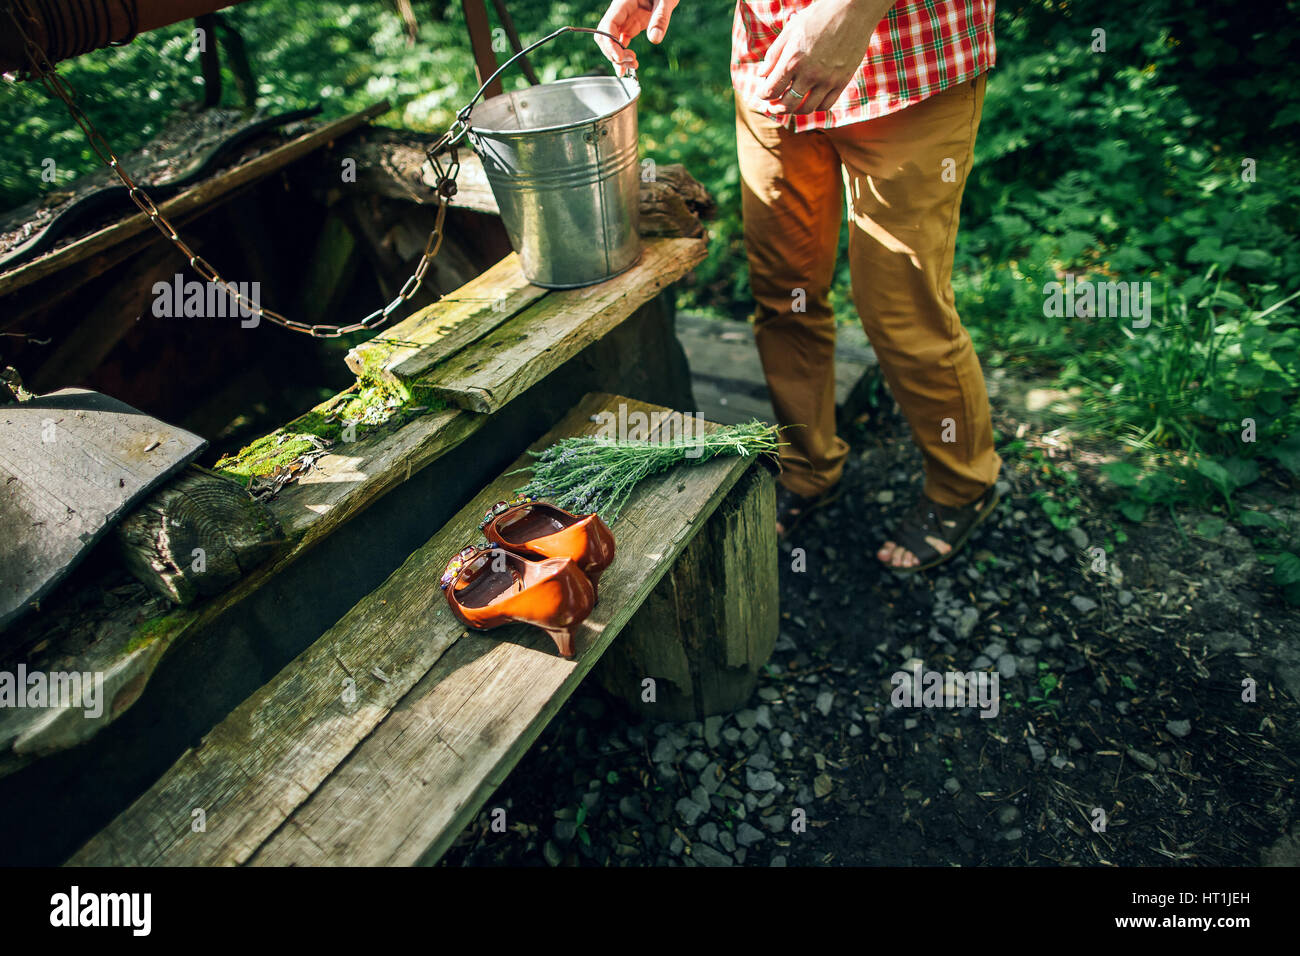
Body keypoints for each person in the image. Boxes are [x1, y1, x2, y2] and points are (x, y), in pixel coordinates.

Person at [597, 0, 1003, 572]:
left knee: (901, 307)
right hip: (773, 65)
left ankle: (965, 484)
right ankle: (810, 469)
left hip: (906, 60)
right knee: (786, 292)